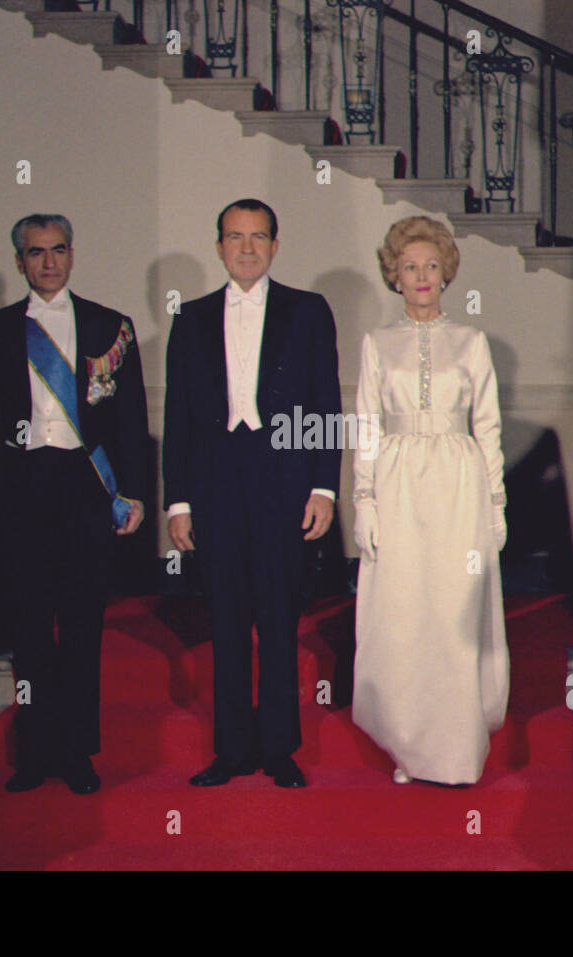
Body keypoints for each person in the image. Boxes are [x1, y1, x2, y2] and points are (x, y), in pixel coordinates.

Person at [0, 213, 148, 795]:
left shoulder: (108, 325)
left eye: (58, 250)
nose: (48, 262)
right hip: (18, 486)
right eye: (35, 252)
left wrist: (134, 491)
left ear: (73, 254)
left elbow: (131, 420)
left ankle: (77, 753)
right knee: (29, 626)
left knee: (84, 624)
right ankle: (36, 752)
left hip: (83, 486)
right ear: (19, 261)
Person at [164, 198, 342, 789]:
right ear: (218, 247)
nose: (246, 248)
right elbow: (180, 415)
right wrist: (179, 501)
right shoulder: (189, 318)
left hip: (284, 482)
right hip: (215, 485)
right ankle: (232, 748)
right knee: (227, 618)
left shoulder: (308, 311)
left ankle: (279, 747)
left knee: (278, 615)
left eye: (258, 237)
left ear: (274, 244)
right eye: (235, 237)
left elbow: (324, 403)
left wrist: (323, 486)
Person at [351, 216, 509, 786]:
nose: (421, 277)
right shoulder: (376, 343)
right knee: (405, 614)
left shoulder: (471, 342)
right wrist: (363, 500)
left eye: (431, 267)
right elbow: (366, 426)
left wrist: (496, 504)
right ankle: (409, 746)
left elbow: (487, 427)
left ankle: (457, 749)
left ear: (446, 274)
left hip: (458, 483)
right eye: (409, 267)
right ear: (394, 276)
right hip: (396, 483)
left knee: (451, 610)